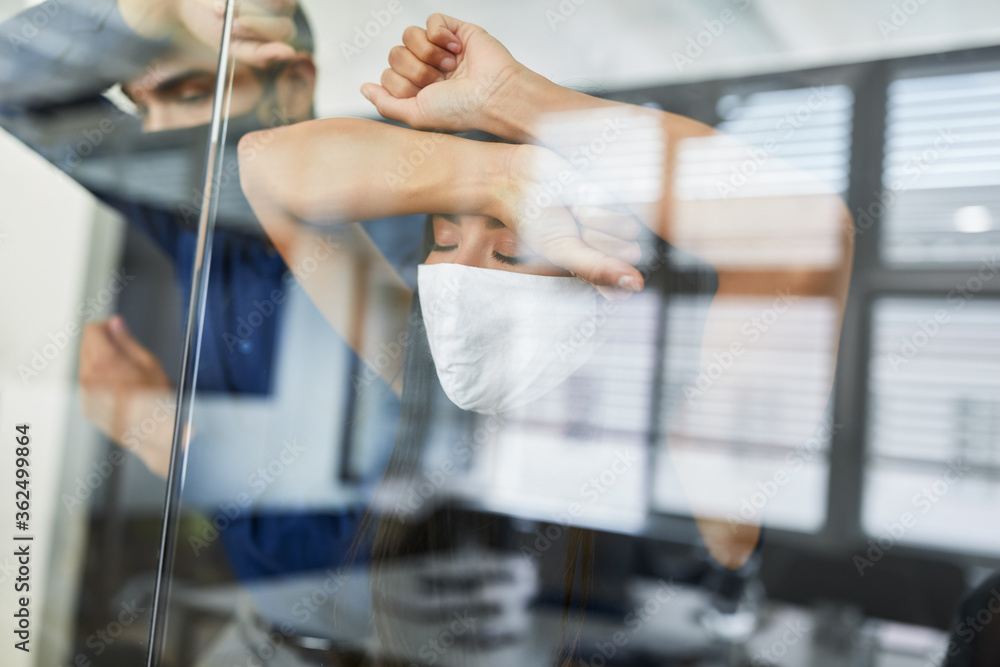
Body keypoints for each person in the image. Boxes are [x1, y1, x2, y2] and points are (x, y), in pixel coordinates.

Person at [238, 13, 854, 664]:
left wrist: (519, 101)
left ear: (603, 274)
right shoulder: (433, 384)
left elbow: (805, 229)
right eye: (444, 241)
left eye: (509, 251)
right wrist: (498, 178)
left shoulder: (685, 445)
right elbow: (265, 165)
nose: (460, 273)